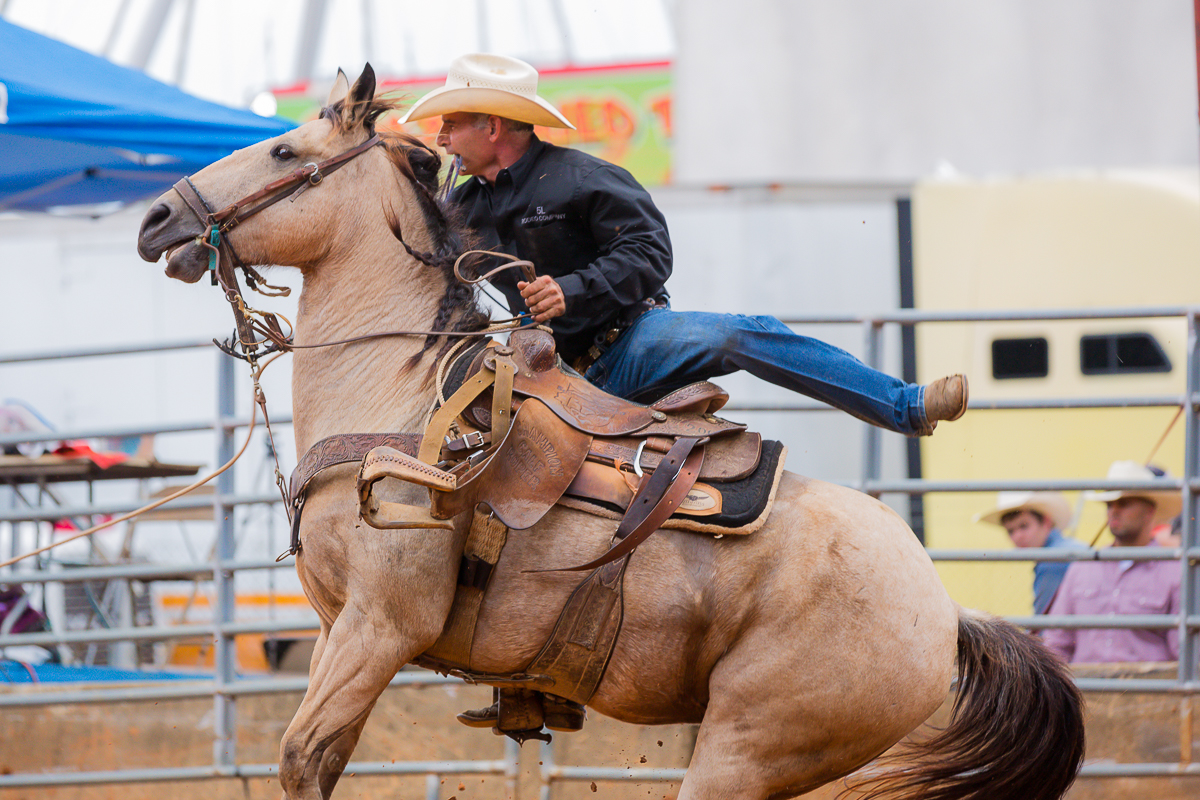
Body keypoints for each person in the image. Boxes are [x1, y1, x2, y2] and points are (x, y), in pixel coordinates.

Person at [399, 53, 969, 438]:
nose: (442, 138)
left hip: (633, 341)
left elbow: (650, 251)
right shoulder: (463, 208)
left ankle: (903, 405)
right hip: (546, 374)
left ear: (493, 127)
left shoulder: (582, 176)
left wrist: (571, 291)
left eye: (451, 124)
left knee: (738, 334)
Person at [1042, 461, 1183, 664]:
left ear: (1149, 511)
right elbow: (1056, 641)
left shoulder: (1174, 572)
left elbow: (1182, 650)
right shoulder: (1082, 568)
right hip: (1086, 686)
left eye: (1124, 504)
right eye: (1109, 504)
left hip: (1149, 689)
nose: (1114, 511)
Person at [974, 491, 1089, 614]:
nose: (1017, 536)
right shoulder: (1069, 548)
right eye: (1010, 531)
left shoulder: (1051, 561)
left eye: (1024, 526)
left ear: (1046, 522)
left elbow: (1043, 623)